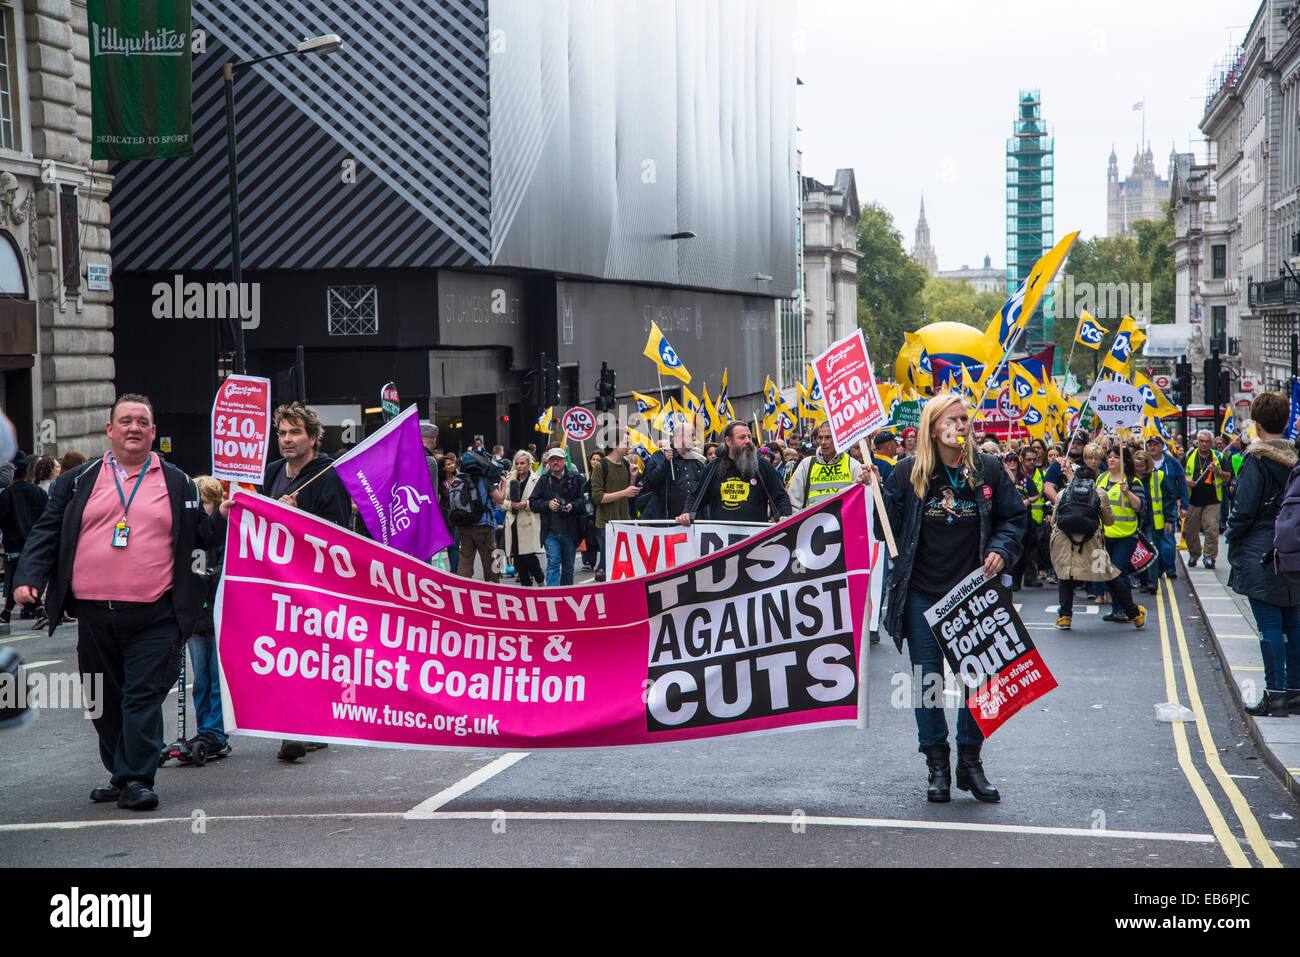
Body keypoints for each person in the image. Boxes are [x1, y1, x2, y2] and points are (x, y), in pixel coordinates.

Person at [13, 395, 228, 811]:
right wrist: (28, 579)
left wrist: (221, 517)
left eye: (142, 422)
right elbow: (46, 533)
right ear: (110, 430)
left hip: (156, 613)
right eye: (125, 421)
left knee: (141, 697)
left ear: (153, 432)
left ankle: (137, 778)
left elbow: (200, 538)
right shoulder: (77, 481)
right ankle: (119, 771)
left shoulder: (178, 481)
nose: (134, 428)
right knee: (103, 700)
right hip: (93, 614)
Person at [872, 393, 1025, 804]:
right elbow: (881, 531)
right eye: (953, 420)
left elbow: (1014, 518)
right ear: (933, 427)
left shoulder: (988, 468)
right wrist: (875, 491)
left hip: (974, 595)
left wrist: (1002, 547)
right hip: (922, 595)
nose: (962, 426)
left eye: (965, 419)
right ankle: (937, 765)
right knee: (928, 684)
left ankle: (970, 764)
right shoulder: (907, 473)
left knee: (981, 681)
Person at [261, 401, 351, 761]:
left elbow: (341, 533)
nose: (287, 439)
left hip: (315, 584)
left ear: (312, 438)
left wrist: (300, 517)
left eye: (295, 432)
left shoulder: (327, 475)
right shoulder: (271, 472)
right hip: (276, 581)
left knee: (307, 657)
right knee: (284, 656)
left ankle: (298, 729)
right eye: (282, 433)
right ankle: (302, 726)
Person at [1226, 392, 1300, 717]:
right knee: (1295, 622)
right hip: (1294, 547)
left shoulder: (1255, 460)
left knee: (1269, 623)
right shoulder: (1296, 459)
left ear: (1256, 424)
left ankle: (1276, 694)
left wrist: (1232, 535)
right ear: (1286, 421)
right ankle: (1296, 693)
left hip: (1261, 549)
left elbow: (1243, 511)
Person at [1051, 463, 1147, 630]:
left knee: (1065, 575)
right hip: (1091, 543)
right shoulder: (1100, 493)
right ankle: (1135, 615)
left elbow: (1054, 521)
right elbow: (1109, 521)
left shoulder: (1063, 493)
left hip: (1066, 542)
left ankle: (1065, 616)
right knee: (1109, 575)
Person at [184, 476, 231, 763]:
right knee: (200, 678)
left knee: (216, 677)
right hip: (196, 616)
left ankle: (217, 732)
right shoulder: (193, 536)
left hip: (218, 612)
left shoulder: (224, 534)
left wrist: (209, 575)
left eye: (205, 503)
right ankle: (204, 728)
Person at [680, 420, 791, 525]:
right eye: (742, 437)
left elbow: (780, 495)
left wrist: (784, 515)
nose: (747, 441)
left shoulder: (762, 466)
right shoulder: (713, 468)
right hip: (722, 539)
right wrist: (687, 513)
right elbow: (696, 496)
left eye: (749, 436)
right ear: (728, 441)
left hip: (755, 538)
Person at [1096, 446, 1147, 622]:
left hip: (1126, 535)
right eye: (1109, 457)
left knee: (1118, 571)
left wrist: (1128, 492)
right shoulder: (1101, 479)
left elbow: (1140, 506)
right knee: (1107, 573)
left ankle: (1126, 609)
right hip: (1104, 535)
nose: (1111, 460)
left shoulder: (1133, 481)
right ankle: (1116, 608)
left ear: (1124, 462)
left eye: (1116, 457)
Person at [0, 453, 47, 624]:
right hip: (35, 543)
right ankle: (7, 613)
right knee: (21, 578)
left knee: (15, 577)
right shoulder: (39, 493)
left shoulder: (7, 495)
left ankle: (40, 611)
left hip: (14, 544)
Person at [530, 448, 585, 586]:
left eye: (559, 459)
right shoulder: (543, 480)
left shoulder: (576, 479)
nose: (556, 462)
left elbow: (586, 500)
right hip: (551, 532)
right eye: (552, 459)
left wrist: (573, 505)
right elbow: (533, 502)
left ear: (565, 461)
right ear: (548, 462)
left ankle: (566, 595)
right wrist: (547, 504)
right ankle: (552, 595)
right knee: (553, 564)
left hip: (570, 531)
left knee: (568, 568)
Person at [787, 421, 864, 512]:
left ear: (837, 439)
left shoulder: (853, 465)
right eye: (820, 438)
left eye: (828, 437)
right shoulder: (806, 465)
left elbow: (861, 502)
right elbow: (794, 503)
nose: (823, 442)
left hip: (844, 524)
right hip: (813, 523)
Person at [590, 439, 638, 582]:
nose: (629, 446)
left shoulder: (625, 463)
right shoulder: (601, 466)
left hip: (624, 521)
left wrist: (633, 478)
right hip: (606, 523)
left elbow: (628, 492)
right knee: (608, 564)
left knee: (622, 564)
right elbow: (598, 497)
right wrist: (625, 492)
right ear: (615, 445)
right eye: (626, 443)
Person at [1183, 429, 1232, 569]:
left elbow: (1228, 476)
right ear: (1197, 442)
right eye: (1201, 441)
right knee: (1190, 530)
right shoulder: (1189, 455)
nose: (1204, 444)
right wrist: (1187, 481)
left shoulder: (1218, 456)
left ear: (1211, 443)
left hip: (1212, 500)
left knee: (1211, 529)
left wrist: (1218, 472)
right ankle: (1194, 554)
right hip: (1193, 499)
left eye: (1207, 442)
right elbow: (1179, 475)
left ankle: (1209, 557)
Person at [453, 452, 505, 583]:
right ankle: (493, 588)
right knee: (490, 559)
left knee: (465, 559)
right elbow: (500, 499)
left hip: (463, 526)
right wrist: (504, 482)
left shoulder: (458, 480)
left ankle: (462, 588)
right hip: (483, 527)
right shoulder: (485, 481)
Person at [642, 423, 708, 522]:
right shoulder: (660, 456)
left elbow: (703, 488)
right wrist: (666, 462)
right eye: (691, 435)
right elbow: (650, 483)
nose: (695, 439)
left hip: (692, 521)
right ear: (679, 437)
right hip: (666, 522)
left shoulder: (697, 459)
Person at [1144, 434, 1187, 583]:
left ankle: (1169, 569)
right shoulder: (1145, 463)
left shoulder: (1172, 463)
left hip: (1168, 506)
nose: (1152, 447)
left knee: (1167, 539)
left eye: (1155, 444)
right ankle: (1157, 569)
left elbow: (1181, 483)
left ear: (1162, 446)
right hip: (1150, 509)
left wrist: (1184, 505)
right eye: (1150, 444)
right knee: (1153, 541)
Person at [503, 451, 544, 587]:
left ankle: (540, 579)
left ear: (529, 464)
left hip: (529, 521)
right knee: (518, 557)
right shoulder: (509, 480)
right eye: (517, 463)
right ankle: (526, 587)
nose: (519, 466)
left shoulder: (537, 479)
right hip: (513, 521)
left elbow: (540, 501)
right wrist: (511, 505)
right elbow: (501, 500)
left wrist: (525, 504)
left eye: (522, 463)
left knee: (529, 555)